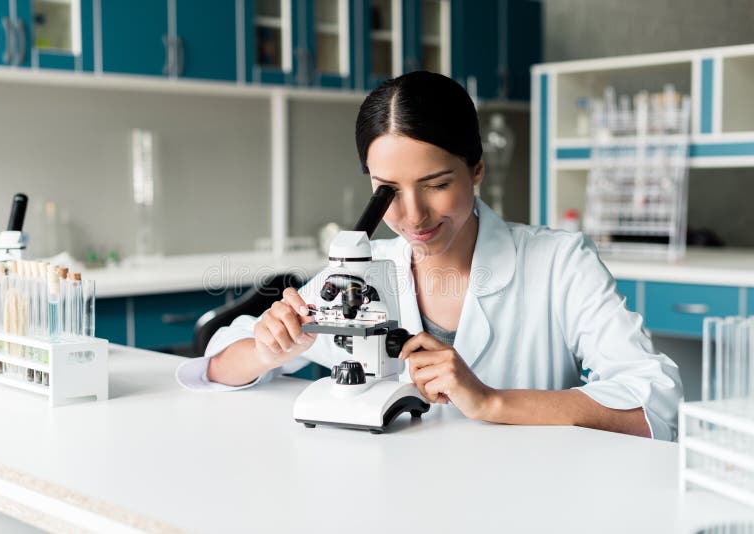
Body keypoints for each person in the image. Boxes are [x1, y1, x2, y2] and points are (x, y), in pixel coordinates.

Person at [176, 71, 682, 441]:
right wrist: (268, 349)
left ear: (476, 169)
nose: (413, 216)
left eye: (437, 184)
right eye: (387, 190)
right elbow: (214, 366)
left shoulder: (559, 263)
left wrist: (491, 401)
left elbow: (656, 404)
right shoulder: (366, 269)